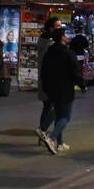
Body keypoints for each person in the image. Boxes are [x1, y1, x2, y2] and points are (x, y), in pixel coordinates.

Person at [39, 27, 86, 154]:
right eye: (66, 35)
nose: (68, 37)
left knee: (59, 115)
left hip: (51, 89)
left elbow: (44, 71)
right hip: (65, 89)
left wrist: (45, 86)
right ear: (62, 37)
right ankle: (52, 138)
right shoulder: (68, 53)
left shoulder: (49, 53)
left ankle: (60, 144)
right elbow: (75, 71)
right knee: (66, 117)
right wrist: (82, 85)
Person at [35, 16, 62, 144]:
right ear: (51, 28)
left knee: (47, 107)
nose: (60, 29)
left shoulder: (43, 41)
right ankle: (46, 134)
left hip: (44, 78)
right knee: (56, 109)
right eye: (58, 26)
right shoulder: (50, 44)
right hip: (51, 80)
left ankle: (42, 134)